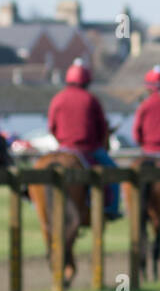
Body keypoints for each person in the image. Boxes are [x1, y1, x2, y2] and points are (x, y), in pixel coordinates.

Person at [47, 58, 120, 218]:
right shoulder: (91, 99)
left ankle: (29, 195)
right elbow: (101, 128)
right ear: (86, 80)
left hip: (64, 147)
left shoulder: (58, 98)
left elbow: (51, 126)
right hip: (88, 149)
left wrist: (62, 140)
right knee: (115, 173)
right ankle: (112, 210)